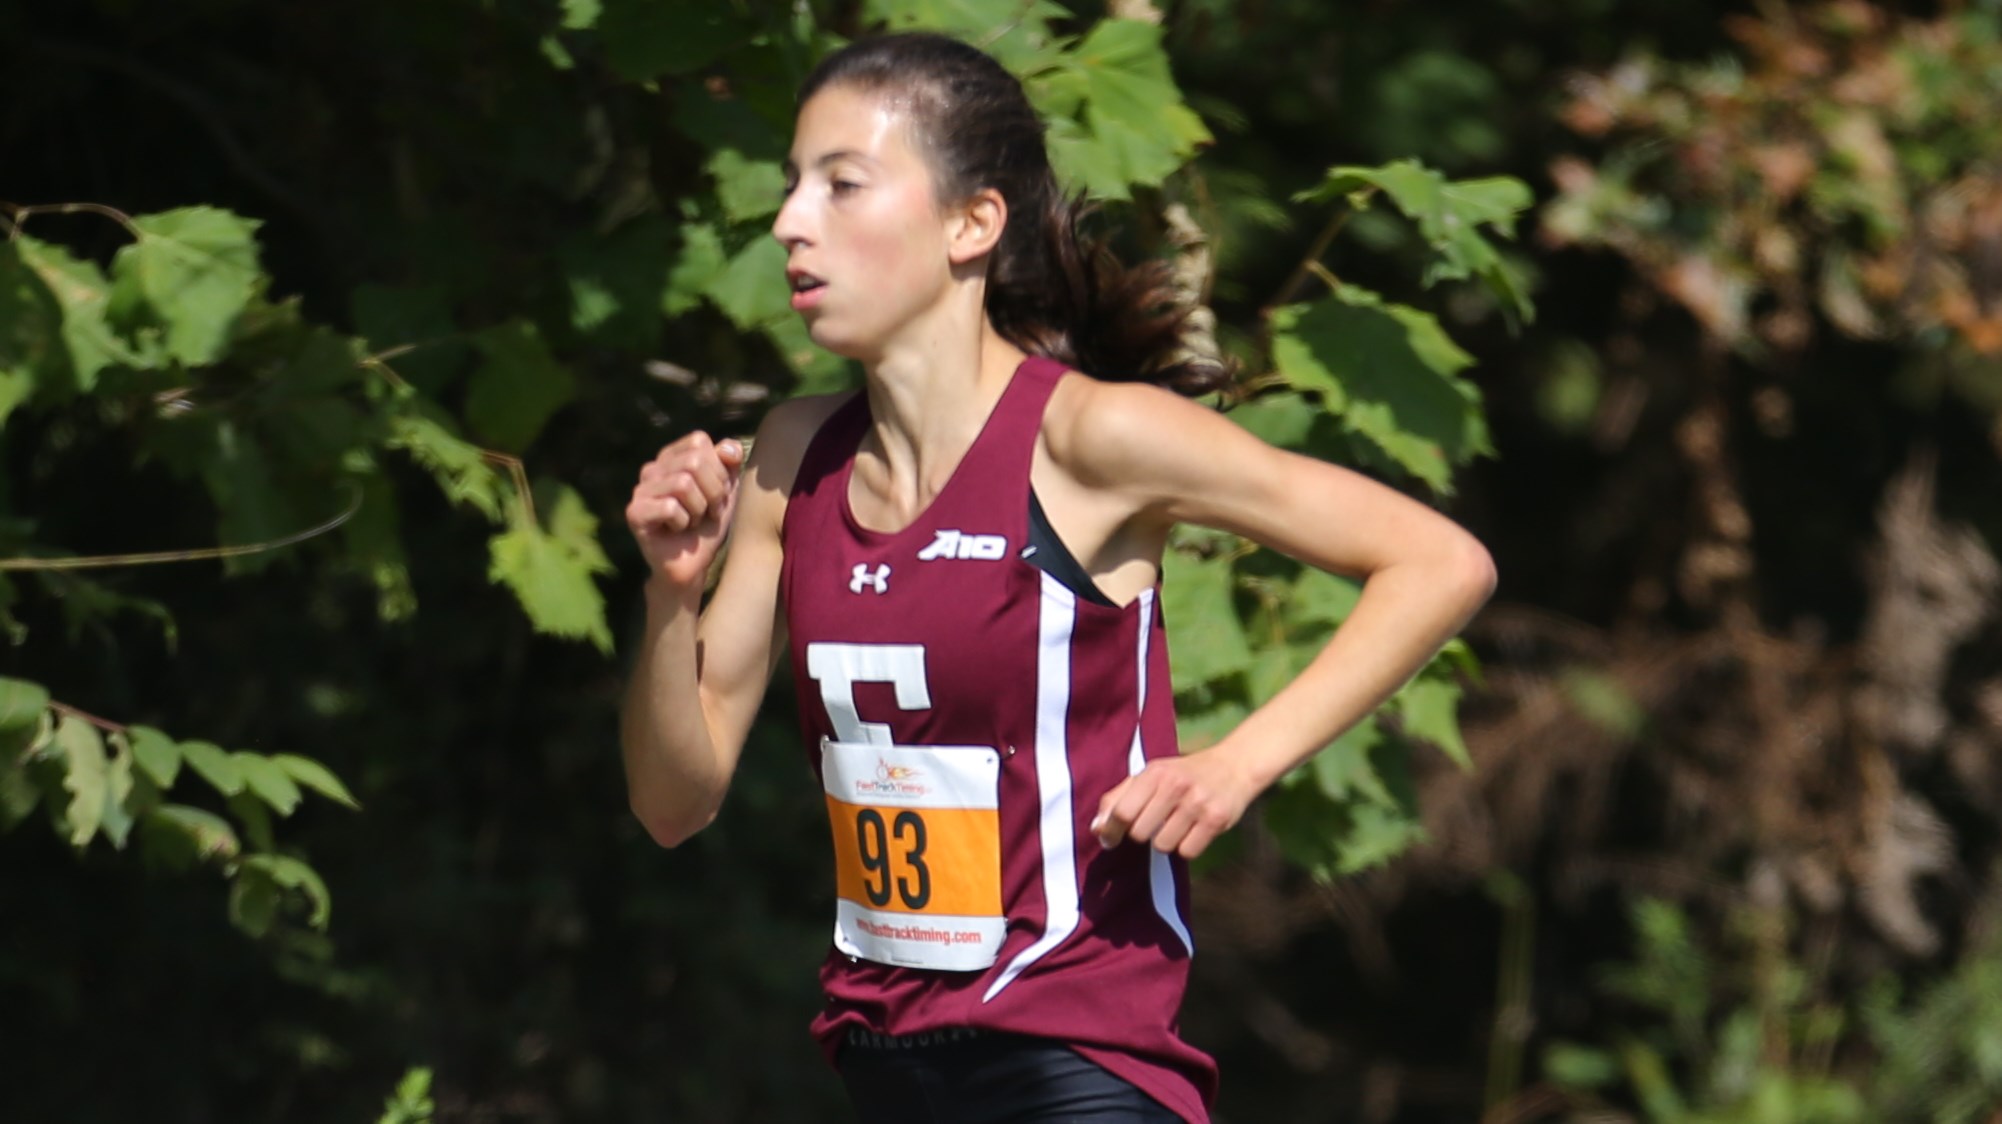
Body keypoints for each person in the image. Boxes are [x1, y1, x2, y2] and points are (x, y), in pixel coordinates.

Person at [620, 31, 1496, 1124]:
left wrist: (1234, 764)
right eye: (791, 186)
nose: (790, 221)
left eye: (842, 185)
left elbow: (1437, 560)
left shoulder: (1093, 438)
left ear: (971, 223)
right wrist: (669, 596)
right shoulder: (792, 460)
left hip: (1075, 1064)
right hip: (884, 1066)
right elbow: (671, 801)